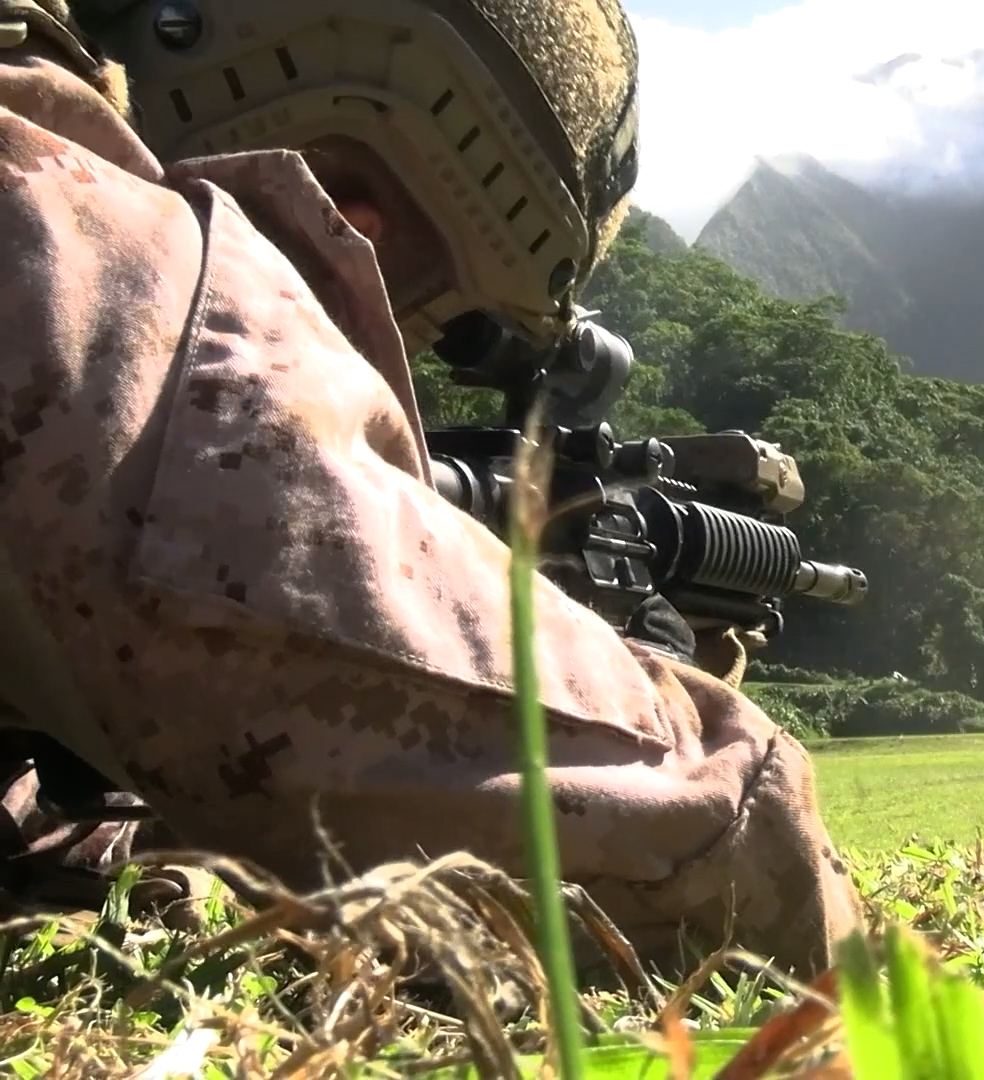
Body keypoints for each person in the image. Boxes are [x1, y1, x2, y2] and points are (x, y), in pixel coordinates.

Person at [0, 0, 860, 977]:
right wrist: (667, 729)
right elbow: (698, 854)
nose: (385, 336)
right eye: (422, 290)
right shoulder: (47, 214)